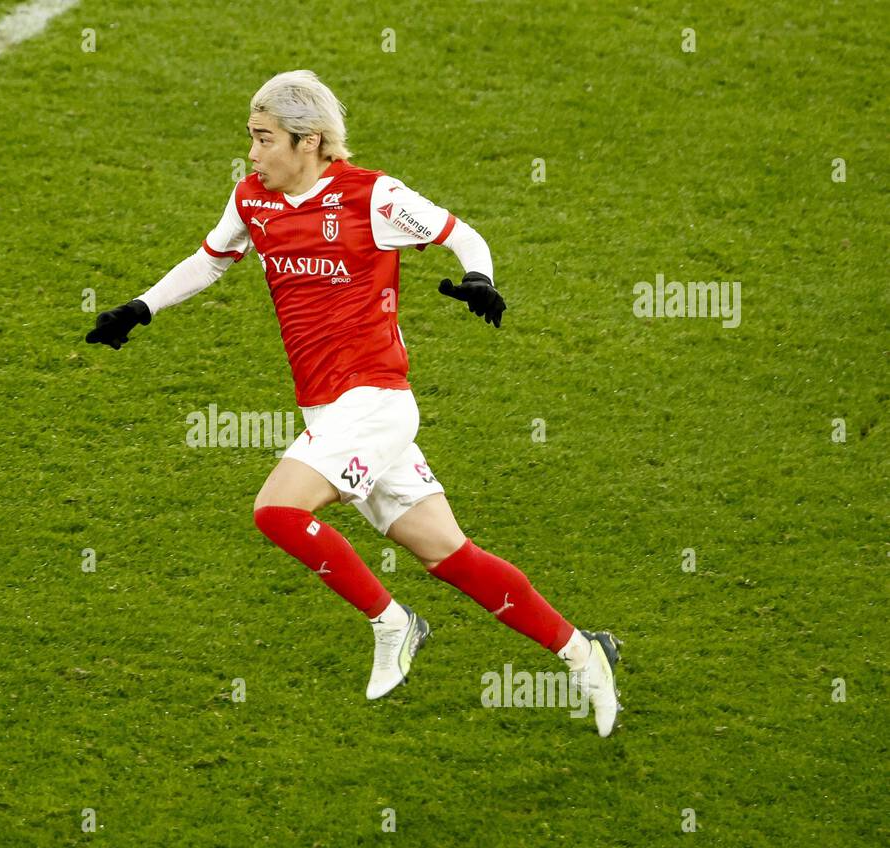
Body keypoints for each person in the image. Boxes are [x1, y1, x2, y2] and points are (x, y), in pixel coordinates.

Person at [86, 70, 622, 735]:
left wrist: (481, 277)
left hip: (374, 401)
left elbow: (462, 235)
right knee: (449, 556)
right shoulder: (253, 200)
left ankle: (395, 623)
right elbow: (212, 259)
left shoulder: (372, 196)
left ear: (308, 142)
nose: (252, 155)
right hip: (330, 411)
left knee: (277, 509)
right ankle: (583, 650)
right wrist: (143, 307)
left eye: (263, 139)